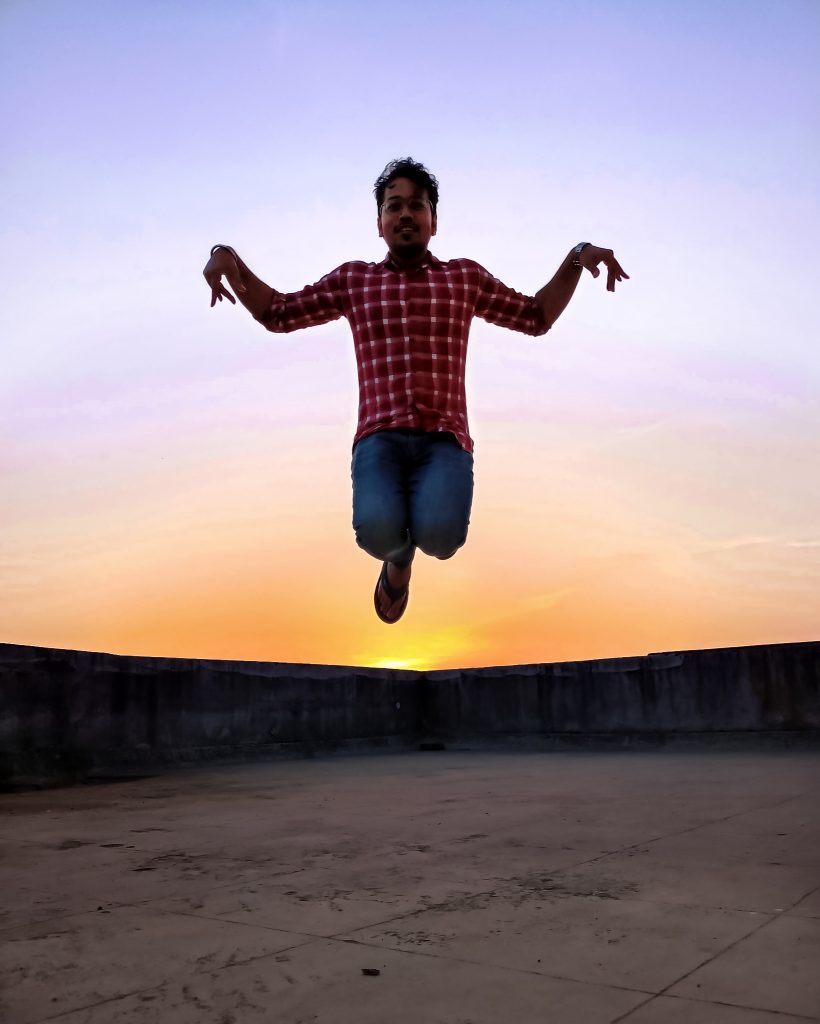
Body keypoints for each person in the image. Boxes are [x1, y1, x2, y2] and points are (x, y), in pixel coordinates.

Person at [203, 158, 628, 624]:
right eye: (394, 207)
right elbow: (278, 313)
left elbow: (535, 316)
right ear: (380, 225)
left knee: (443, 538)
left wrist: (576, 255)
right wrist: (229, 257)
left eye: (417, 206)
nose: (405, 214)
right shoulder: (355, 280)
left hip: (443, 440)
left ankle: (410, 552)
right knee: (376, 533)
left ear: (434, 221)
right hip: (380, 439)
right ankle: (397, 561)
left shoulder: (462, 279)